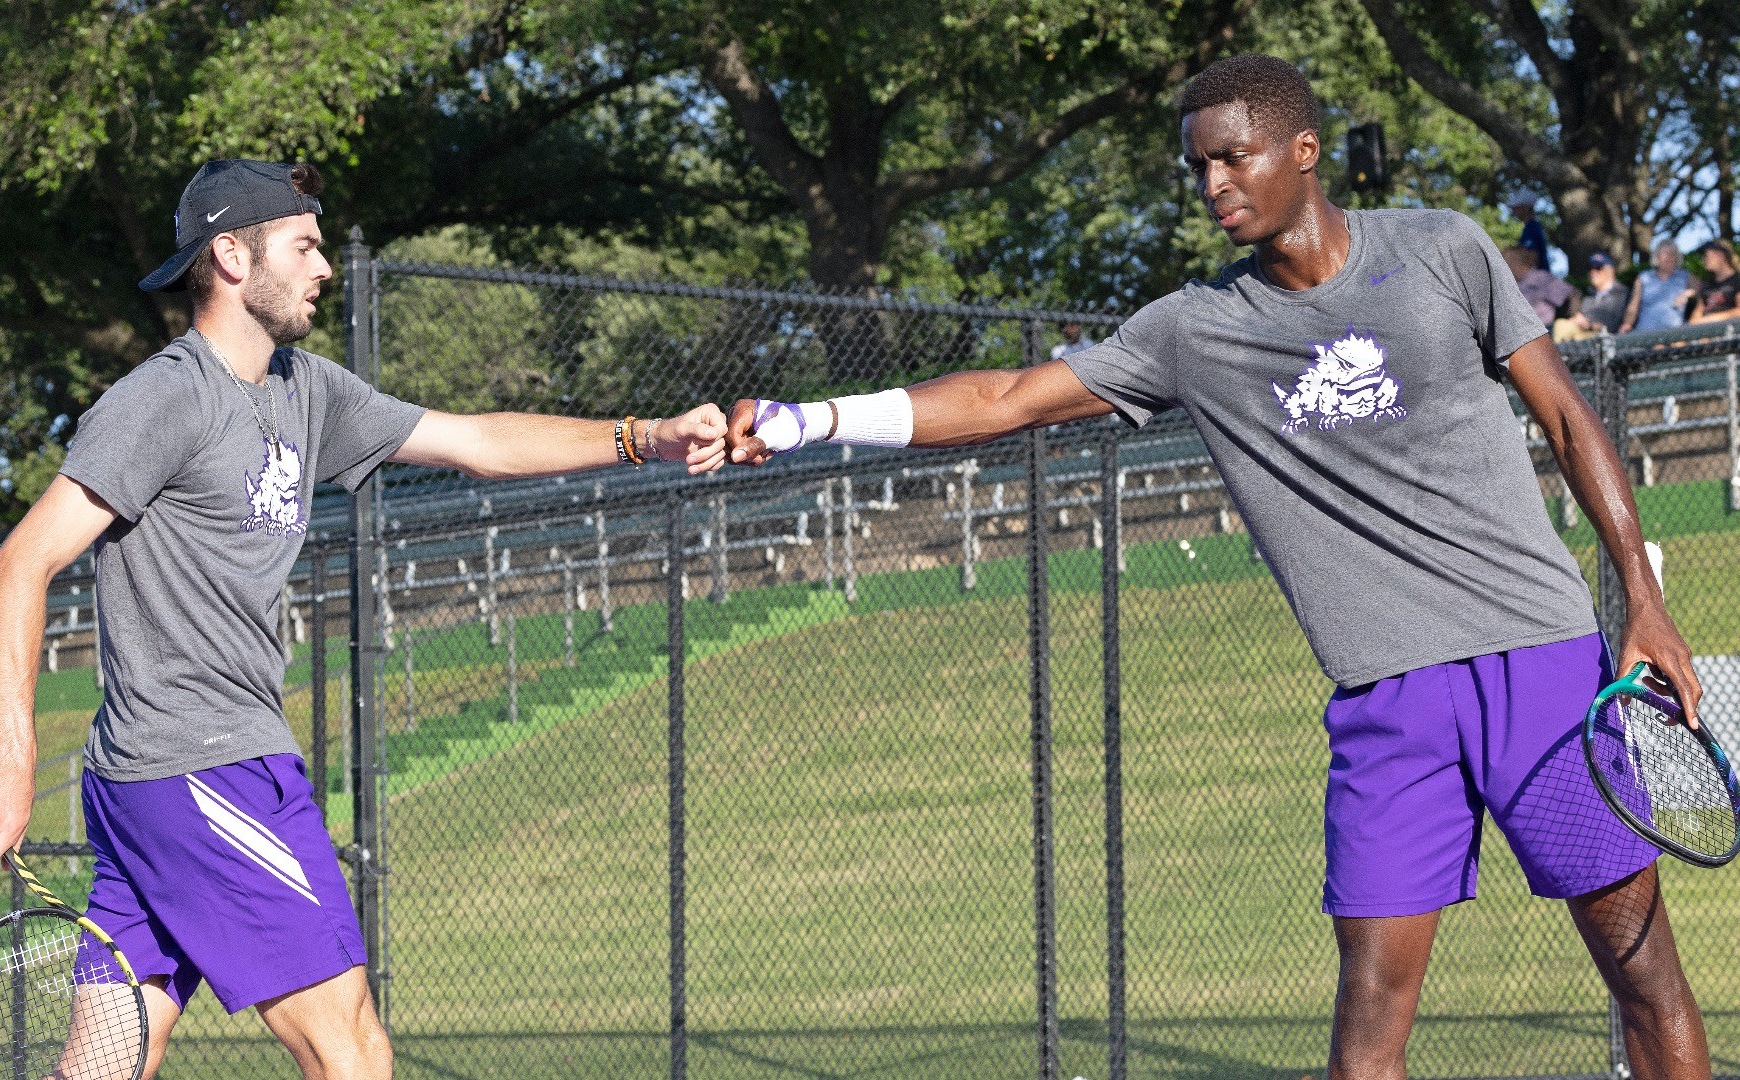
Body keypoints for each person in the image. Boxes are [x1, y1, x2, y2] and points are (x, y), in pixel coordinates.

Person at [726, 55, 1710, 1080]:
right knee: (1368, 1029)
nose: (1213, 185)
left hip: (1539, 666)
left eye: (1233, 158)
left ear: (1303, 150)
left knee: (1645, 977)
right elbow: (1003, 399)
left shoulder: (1442, 248)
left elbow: (1567, 417)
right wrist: (810, 420)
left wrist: (1643, 601)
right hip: (1387, 705)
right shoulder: (1192, 329)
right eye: (1198, 167)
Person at [0, 159, 728, 1080]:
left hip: (163, 784)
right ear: (232, 256)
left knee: (111, 1057)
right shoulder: (164, 398)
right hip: (202, 767)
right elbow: (17, 568)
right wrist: (11, 761)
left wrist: (645, 437)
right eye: (305, 246)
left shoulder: (307, 389)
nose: (324, 267)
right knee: (351, 1048)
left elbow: (475, 440)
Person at [1620, 237, 1696, 334]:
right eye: (1664, 254)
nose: (1668, 257)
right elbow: (1634, 305)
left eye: (1672, 254)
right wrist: (1627, 324)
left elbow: (1701, 290)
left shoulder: (1685, 276)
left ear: (1677, 257)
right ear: (1657, 257)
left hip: (1675, 334)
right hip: (1646, 333)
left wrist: (1688, 293)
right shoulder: (1644, 277)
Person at [1561, 252, 1630, 340]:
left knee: (1562, 327)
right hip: (1582, 337)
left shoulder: (1621, 293)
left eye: (1598, 268)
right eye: (1590, 268)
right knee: (1561, 325)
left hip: (1608, 340)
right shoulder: (1588, 296)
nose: (1593, 272)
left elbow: (1614, 326)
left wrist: (1589, 325)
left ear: (1610, 270)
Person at [1502, 244, 1574, 327]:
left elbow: (1571, 295)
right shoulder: (1508, 285)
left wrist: (1573, 318)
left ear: (1518, 262)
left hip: (1543, 329)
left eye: (1507, 261)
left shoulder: (1540, 278)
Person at [1686, 238, 1738, 325]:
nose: (1703, 259)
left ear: (1721, 256)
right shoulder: (1707, 284)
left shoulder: (1737, 280)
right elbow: (1698, 312)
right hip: (1707, 331)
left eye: (1706, 255)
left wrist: (1710, 319)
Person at [1507, 194, 1551, 272]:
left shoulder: (1531, 228)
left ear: (1526, 208)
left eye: (1517, 208)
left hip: (1537, 277)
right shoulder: (1532, 227)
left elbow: (1531, 256)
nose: (1513, 212)